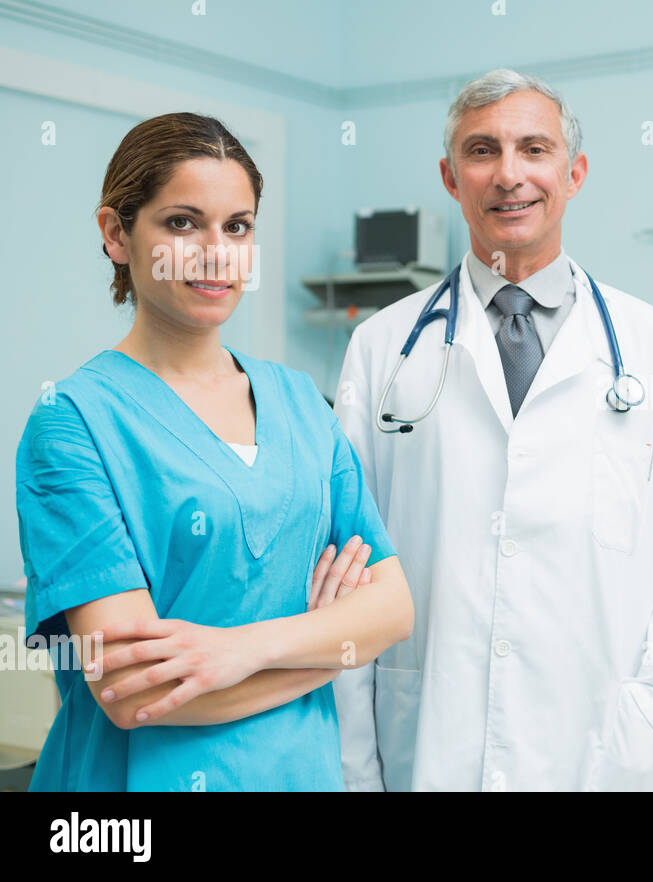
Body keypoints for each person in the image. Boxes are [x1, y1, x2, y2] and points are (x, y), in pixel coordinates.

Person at [333, 69, 653, 791]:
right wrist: (355, 761)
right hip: (426, 745)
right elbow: (346, 562)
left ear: (574, 172)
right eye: (481, 150)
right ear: (449, 176)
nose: (509, 175)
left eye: (534, 148)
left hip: (595, 753)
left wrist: (651, 720)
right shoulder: (383, 347)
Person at [15, 112, 413, 791]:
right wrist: (331, 645)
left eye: (237, 226)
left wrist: (238, 650)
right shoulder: (75, 422)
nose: (216, 251)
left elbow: (393, 610)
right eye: (181, 223)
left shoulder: (298, 403)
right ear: (117, 234)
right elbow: (137, 691)